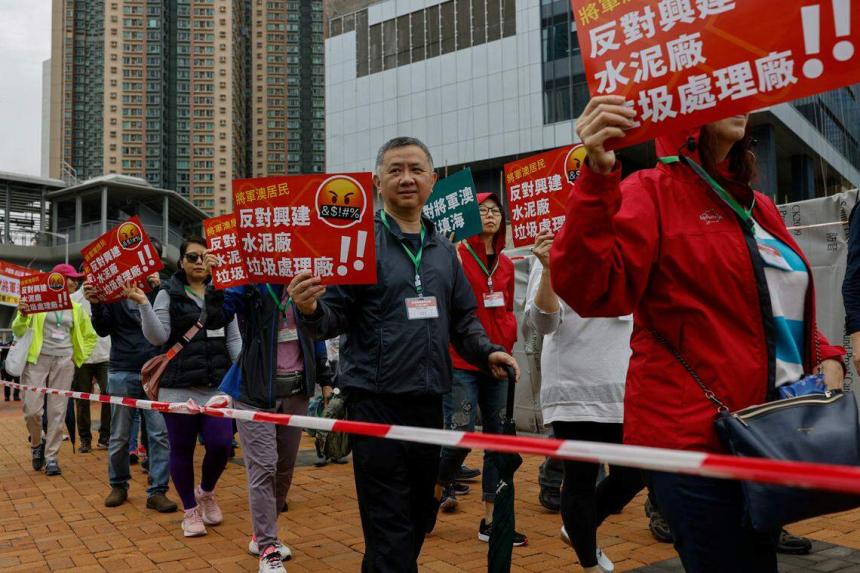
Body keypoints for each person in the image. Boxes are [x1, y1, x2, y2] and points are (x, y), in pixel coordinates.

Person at [553, 99, 846, 573]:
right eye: (722, 93)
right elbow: (593, 290)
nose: (741, 105)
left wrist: (827, 354)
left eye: (744, 94)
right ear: (685, 105)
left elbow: (772, 305)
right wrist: (596, 177)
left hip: (771, 432)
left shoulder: (758, 205)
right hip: (694, 440)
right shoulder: (648, 191)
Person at [289, 136, 520, 573]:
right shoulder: (359, 243)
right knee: (388, 520)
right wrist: (309, 308)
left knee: (416, 514)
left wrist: (488, 351)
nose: (407, 178)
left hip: (429, 400)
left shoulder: (443, 252)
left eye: (416, 169)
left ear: (432, 180)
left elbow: (464, 319)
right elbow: (332, 316)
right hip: (374, 402)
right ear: (378, 182)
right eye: (395, 170)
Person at [525, 230, 642, 572]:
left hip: (624, 384)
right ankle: (588, 560)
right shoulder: (556, 243)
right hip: (574, 386)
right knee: (580, 477)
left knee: (637, 473)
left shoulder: (632, 243)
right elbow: (543, 322)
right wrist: (547, 269)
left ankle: (579, 526)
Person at [206, 281, 334, 573]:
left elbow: (317, 332)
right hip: (254, 392)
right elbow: (217, 316)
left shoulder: (305, 279)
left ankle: (262, 536)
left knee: (284, 470)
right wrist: (216, 284)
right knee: (263, 467)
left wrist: (325, 378)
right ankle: (268, 548)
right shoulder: (249, 284)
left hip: (296, 391)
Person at [433, 192, 526, 546]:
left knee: (499, 441)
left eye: (495, 212)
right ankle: (436, 488)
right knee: (460, 433)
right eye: (483, 211)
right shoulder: (456, 255)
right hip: (461, 361)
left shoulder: (504, 264)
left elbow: (505, 308)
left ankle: (492, 519)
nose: (490, 216)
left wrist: (507, 340)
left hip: (498, 359)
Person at [140, 237, 240, 537]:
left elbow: (233, 339)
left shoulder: (222, 291)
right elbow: (158, 338)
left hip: (217, 386)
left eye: (204, 257)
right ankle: (190, 510)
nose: (199, 262)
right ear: (181, 262)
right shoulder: (168, 293)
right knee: (181, 448)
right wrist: (144, 303)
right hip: (178, 386)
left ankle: (206, 491)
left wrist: (242, 374)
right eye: (192, 257)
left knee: (221, 445)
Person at [86, 269, 176, 513]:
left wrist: (160, 285)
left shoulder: (158, 288)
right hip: (121, 369)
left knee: (159, 433)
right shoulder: (111, 291)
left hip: (154, 370)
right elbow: (103, 329)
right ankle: (118, 485)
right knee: (119, 434)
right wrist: (95, 304)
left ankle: (158, 491)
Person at [12, 263, 97, 476]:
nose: (75, 282)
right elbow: (18, 330)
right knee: (32, 410)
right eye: (71, 278)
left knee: (58, 411)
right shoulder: (37, 302)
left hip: (64, 361)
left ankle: (51, 457)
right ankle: (36, 445)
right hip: (37, 360)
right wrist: (23, 314)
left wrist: (78, 358)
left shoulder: (76, 308)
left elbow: (90, 336)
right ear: (57, 280)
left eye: (76, 279)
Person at [71, 269, 112, 452]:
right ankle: (85, 439)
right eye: (88, 274)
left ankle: (105, 437)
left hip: (106, 354)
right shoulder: (72, 299)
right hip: (82, 356)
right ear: (83, 276)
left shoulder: (107, 294)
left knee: (109, 396)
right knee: (82, 399)